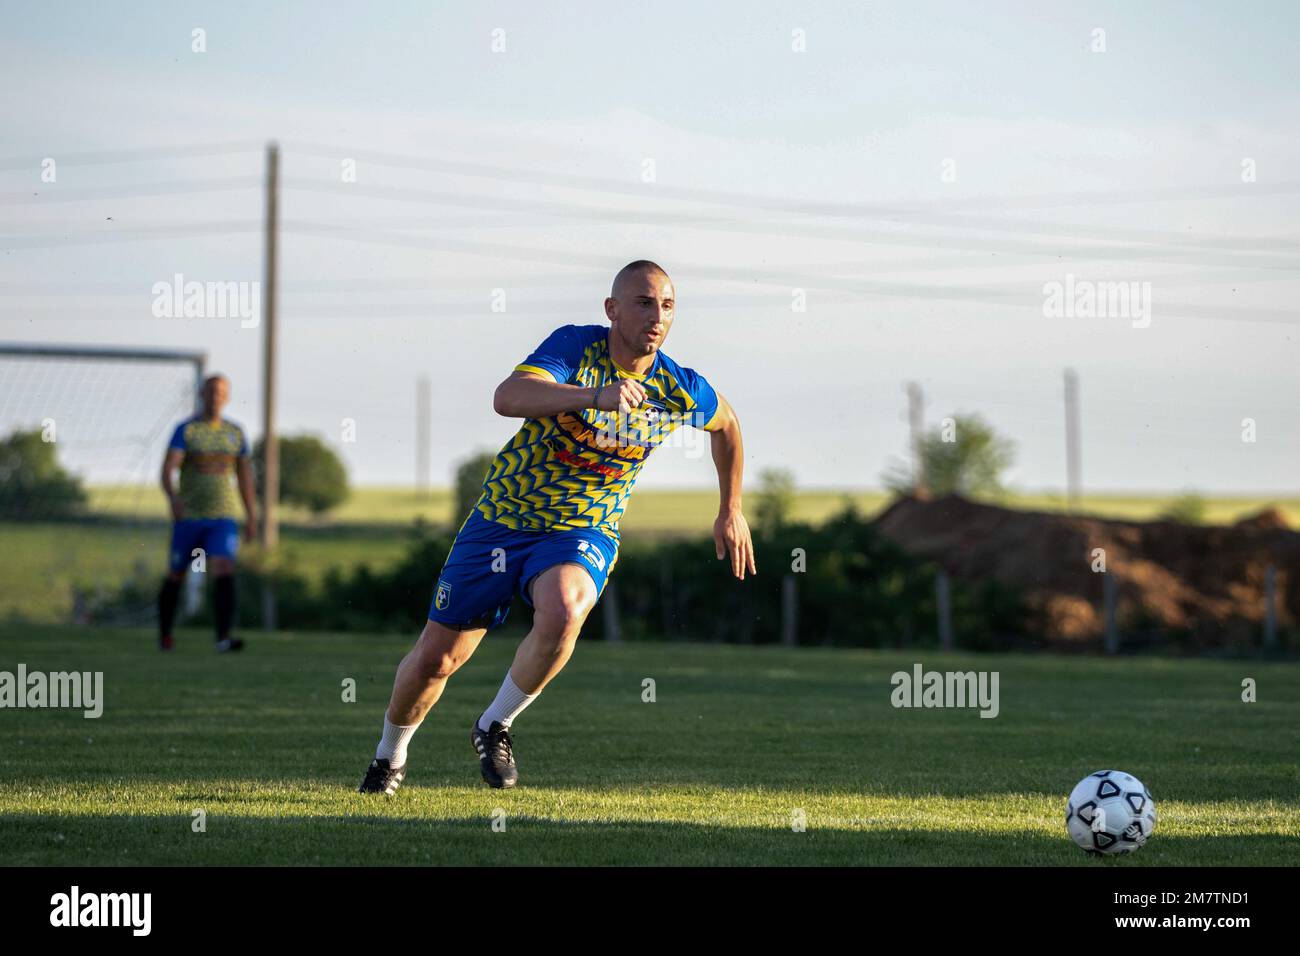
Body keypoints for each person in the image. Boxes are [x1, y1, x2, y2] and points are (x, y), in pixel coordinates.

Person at [359, 260, 756, 794]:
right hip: (503, 520)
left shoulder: (678, 387)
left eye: (667, 305)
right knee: (437, 658)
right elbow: (508, 397)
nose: (656, 316)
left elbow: (727, 425)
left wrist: (730, 508)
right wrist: (593, 396)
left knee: (568, 605)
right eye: (642, 303)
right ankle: (390, 756)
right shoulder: (576, 348)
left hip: (581, 529)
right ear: (612, 309)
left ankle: (494, 724)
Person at [157, 374, 258, 652]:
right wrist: (173, 498)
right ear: (202, 394)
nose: (215, 396)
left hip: (223, 517)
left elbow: (245, 476)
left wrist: (252, 515)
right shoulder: (186, 430)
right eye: (211, 391)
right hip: (189, 516)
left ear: (226, 397)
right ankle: (165, 635)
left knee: (224, 569)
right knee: (176, 574)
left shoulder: (235, 433)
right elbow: (168, 469)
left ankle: (223, 638)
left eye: (221, 392)